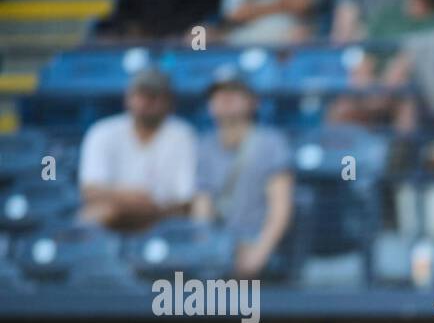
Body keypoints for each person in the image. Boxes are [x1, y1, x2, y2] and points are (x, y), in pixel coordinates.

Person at [192, 69, 294, 278]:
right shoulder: (204, 146)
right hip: (218, 247)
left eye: (234, 91)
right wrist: (203, 248)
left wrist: (261, 251)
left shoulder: (271, 142)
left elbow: (280, 209)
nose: (225, 98)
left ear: (253, 102)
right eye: (218, 93)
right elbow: (201, 206)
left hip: (258, 244)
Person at [78, 67, 196, 232]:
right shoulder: (102, 132)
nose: (147, 101)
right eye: (141, 94)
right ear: (128, 98)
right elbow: (90, 191)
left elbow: (185, 200)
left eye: (154, 96)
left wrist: (143, 206)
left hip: (164, 220)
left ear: (170, 102)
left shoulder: (183, 134)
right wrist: (135, 199)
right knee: (95, 214)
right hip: (113, 219)